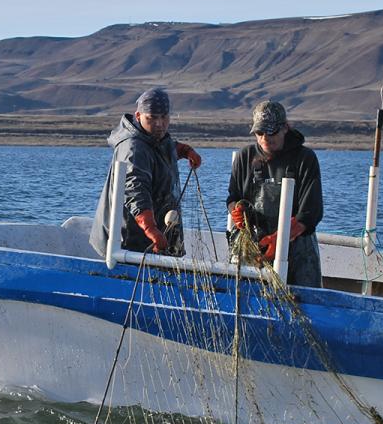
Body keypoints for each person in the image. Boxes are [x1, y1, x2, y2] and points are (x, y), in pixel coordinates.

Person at [90, 87, 203, 256]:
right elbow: (136, 189)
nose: (159, 124)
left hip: (156, 233)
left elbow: (160, 151)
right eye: (152, 118)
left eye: (164, 117)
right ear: (138, 116)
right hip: (129, 241)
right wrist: (151, 229)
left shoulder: (155, 139)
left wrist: (184, 151)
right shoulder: (133, 148)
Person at [226, 101, 323, 287]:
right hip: (253, 248)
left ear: (285, 128)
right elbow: (233, 197)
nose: (265, 138)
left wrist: (280, 240)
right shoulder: (244, 157)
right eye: (259, 133)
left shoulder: (305, 158)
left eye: (271, 132)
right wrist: (236, 210)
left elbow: (311, 213)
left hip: (297, 253)